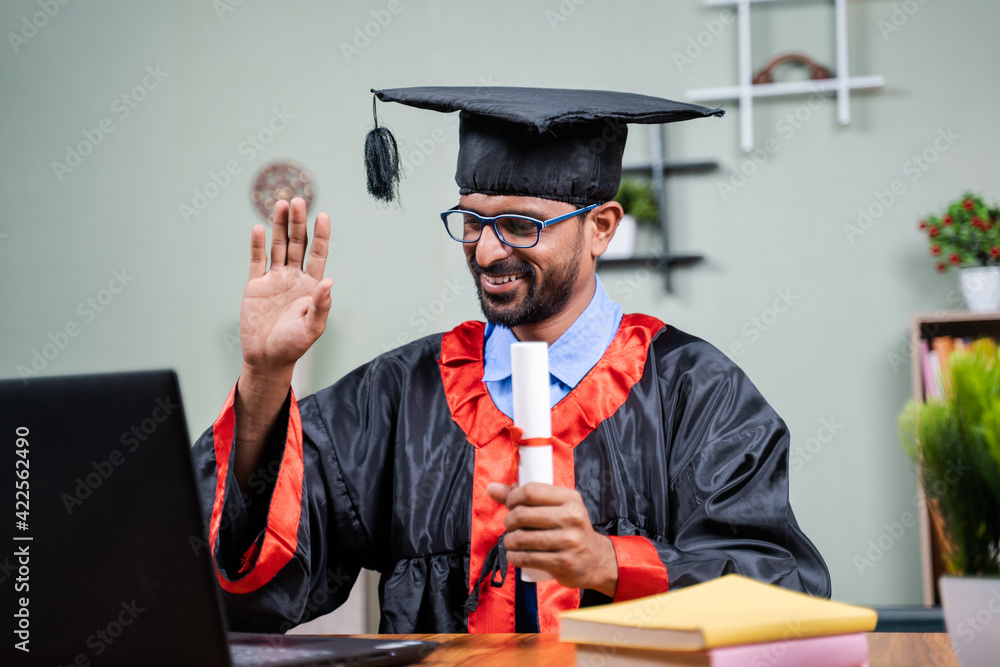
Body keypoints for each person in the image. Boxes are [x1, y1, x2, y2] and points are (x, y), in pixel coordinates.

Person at [191, 87, 831, 634]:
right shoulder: (403, 390)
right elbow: (247, 568)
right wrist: (267, 377)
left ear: (602, 227)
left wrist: (608, 562)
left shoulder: (694, 390)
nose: (489, 251)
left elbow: (781, 597)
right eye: (472, 220)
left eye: (522, 225)